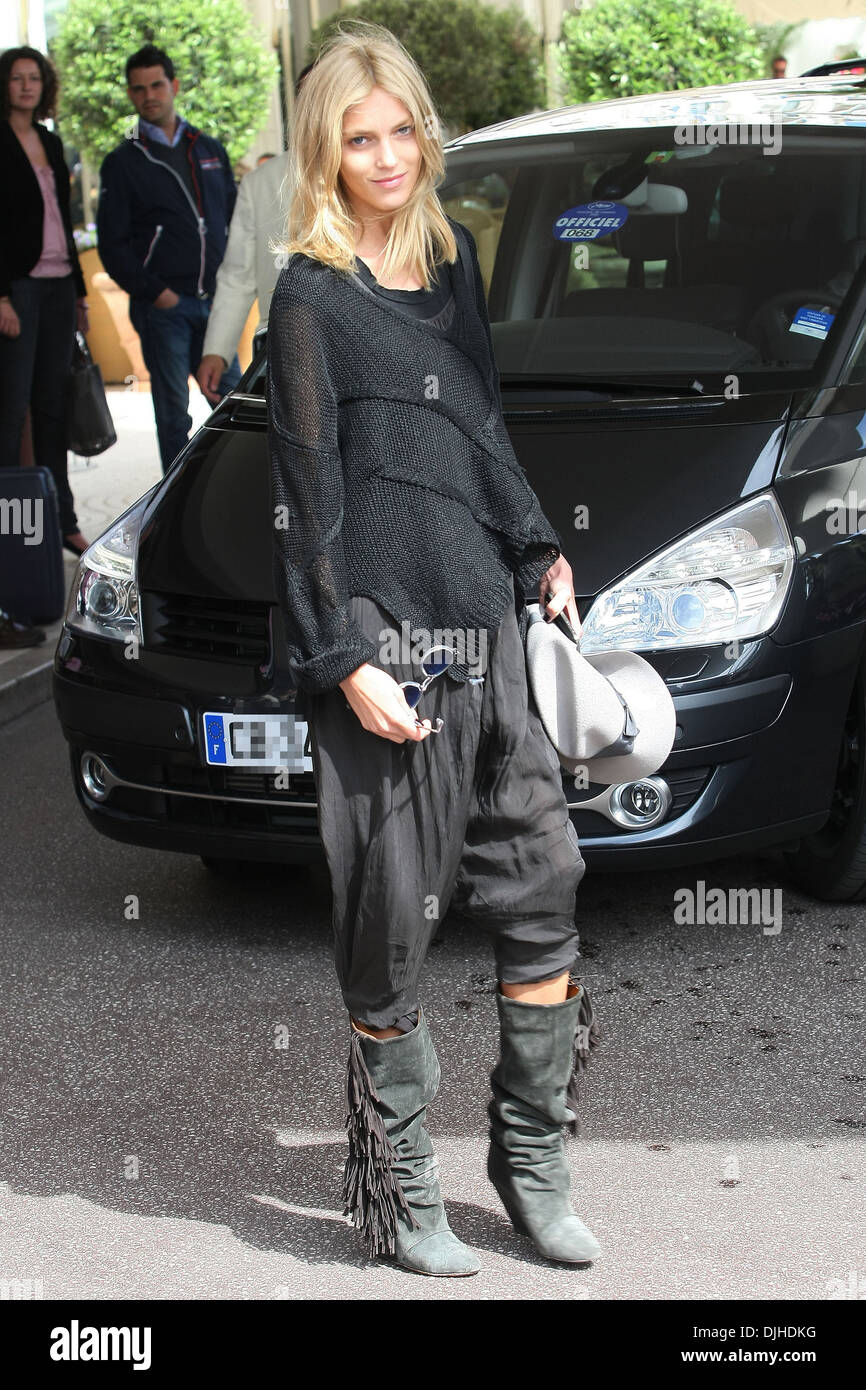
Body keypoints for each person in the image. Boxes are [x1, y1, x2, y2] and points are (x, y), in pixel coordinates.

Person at [266, 21, 601, 1277]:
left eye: (401, 128)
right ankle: (405, 1188)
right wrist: (342, 651)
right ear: (327, 152)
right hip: (387, 648)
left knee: (543, 884)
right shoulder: (309, 298)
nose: (388, 153)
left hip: (490, 629)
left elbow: (479, 432)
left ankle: (530, 1158)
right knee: (388, 926)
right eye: (360, 137)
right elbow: (298, 495)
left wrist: (532, 548)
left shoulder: (448, 264)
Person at [96, 43, 242, 474]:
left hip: (215, 306)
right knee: (174, 417)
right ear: (131, 95)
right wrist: (157, 294)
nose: (149, 95)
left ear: (174, 86)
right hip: (166, 309)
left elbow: (234, 220)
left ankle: (232, 494)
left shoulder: (209, 149)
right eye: (138, 89)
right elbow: (112, 246)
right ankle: (172, 519)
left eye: (156, 84)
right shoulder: (122, 162)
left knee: (234, 406)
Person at [0, 45, 91, 558]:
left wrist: (80, 291)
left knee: (54, 409)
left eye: (34, 78)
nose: (27, 86)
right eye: (17, 78)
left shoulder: (52, 143)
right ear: (5, 85)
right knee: (12, 414)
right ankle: (14, 532)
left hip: (59, 287)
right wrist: (1, 295)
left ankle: (61, 522)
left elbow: (65, 217)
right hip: (20, 290)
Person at [197, 63, 316, 404]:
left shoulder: (377, 178)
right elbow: (237, 276)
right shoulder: (260, 183)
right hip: (280, 357)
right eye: (309, 96)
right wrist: (217, 350)